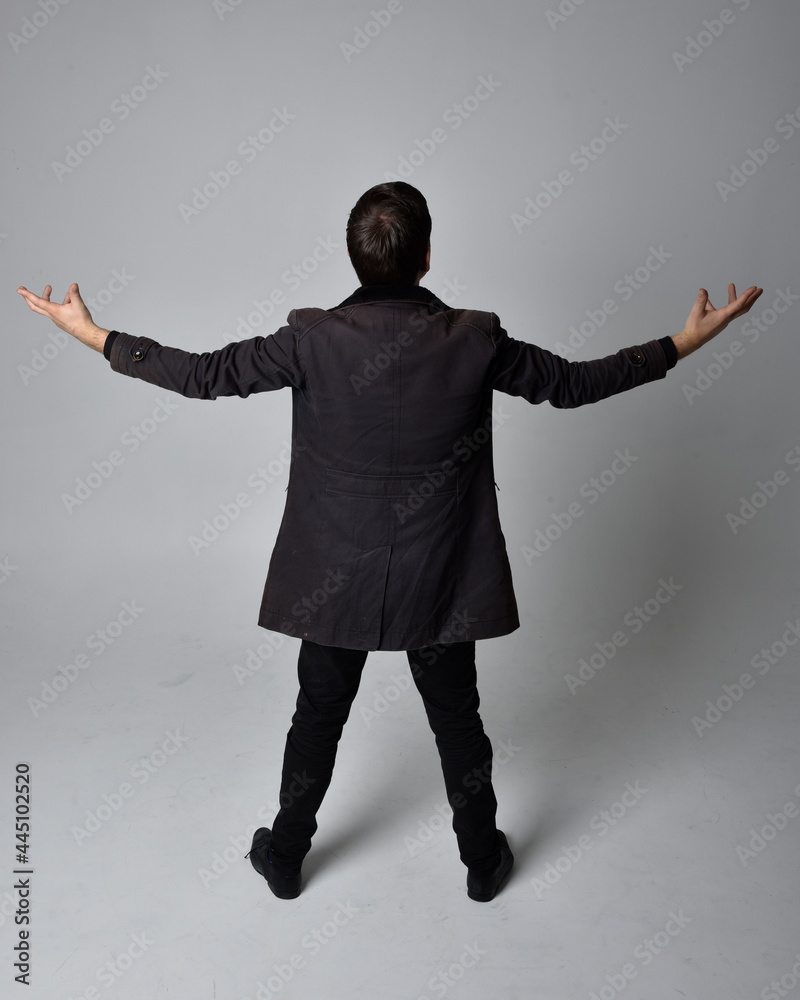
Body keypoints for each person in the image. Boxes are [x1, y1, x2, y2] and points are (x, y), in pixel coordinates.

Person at [17, 181, 763, 902]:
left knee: (317, 717)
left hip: (334, 578)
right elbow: (571, 383)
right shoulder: (474, 338)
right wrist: (680, 344)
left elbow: (205, 375)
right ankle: (481, 862)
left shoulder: (310, 338)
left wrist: (96, 336)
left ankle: (284, 857)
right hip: (437, 578)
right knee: (457, 719)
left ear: (354, 258)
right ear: (427, 257)